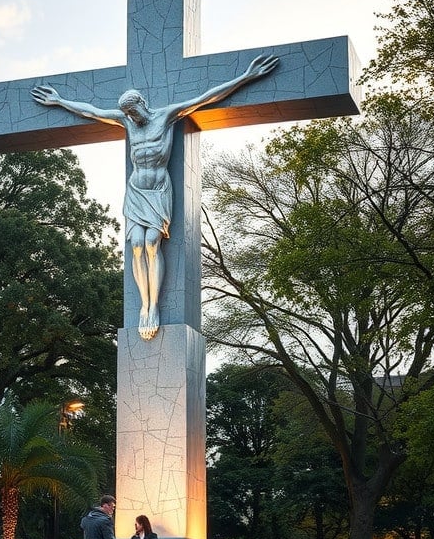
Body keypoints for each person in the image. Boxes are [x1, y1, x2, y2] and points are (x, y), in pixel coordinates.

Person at [32, 55, 278, 341]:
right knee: (136, 245)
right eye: (128, 114)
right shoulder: (125, 120)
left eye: (135, 112)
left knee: (151, 243)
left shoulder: (167, 115)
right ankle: (144, 306)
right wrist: (60, 101)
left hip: (159, 189)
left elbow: (206, 98)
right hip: (136, 190)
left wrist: (246, 77)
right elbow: (90, 111)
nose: (133, 118)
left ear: (143, 104)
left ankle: (155, 306)